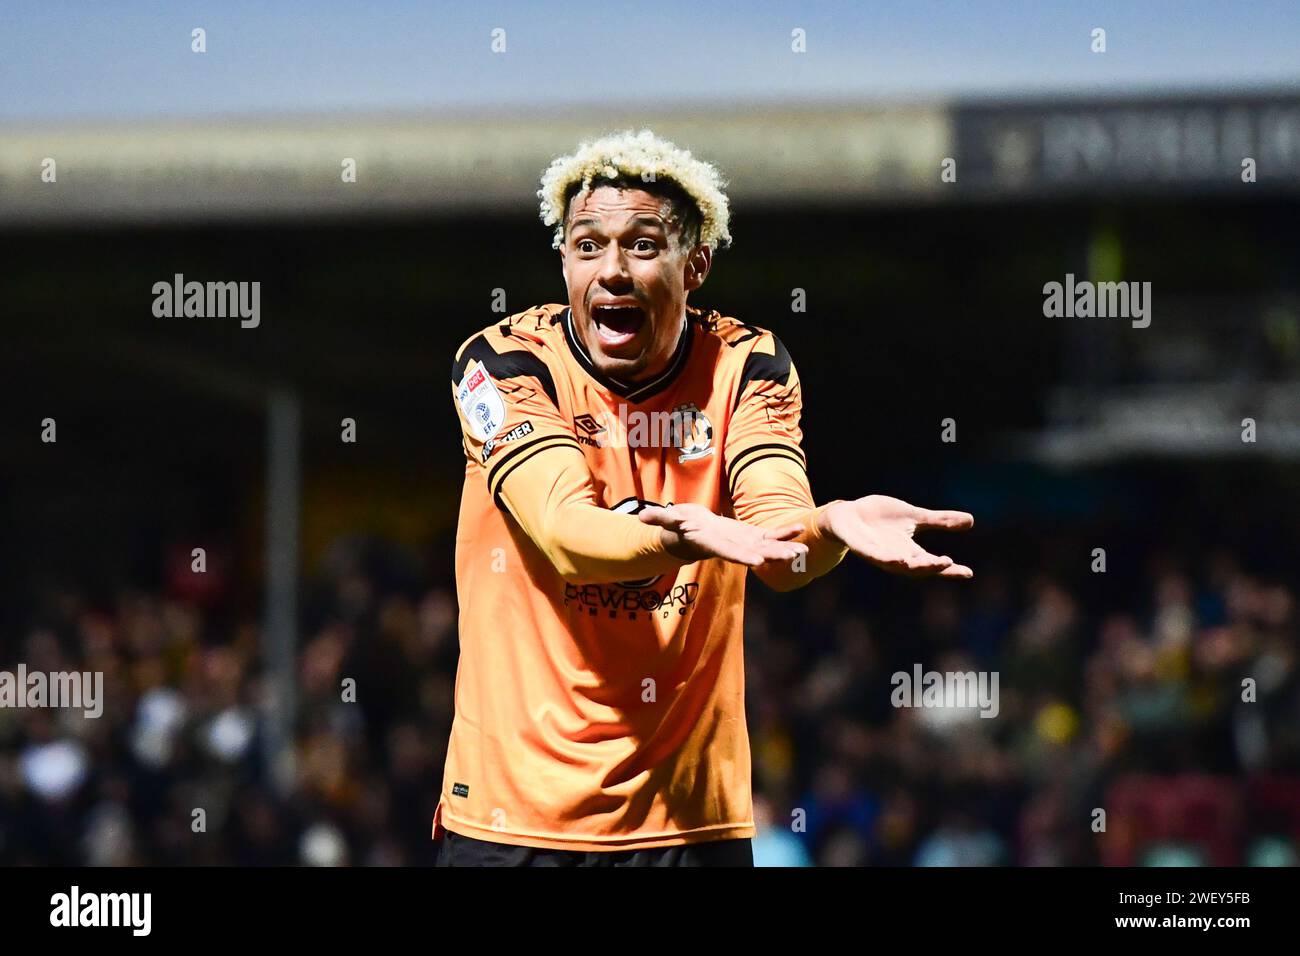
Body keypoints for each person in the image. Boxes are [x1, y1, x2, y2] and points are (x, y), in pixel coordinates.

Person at [434, 129, 973, 867]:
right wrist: (683, 534)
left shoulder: (749, 365)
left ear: (697, 265)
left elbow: (779, 547)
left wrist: (830, 525)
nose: (613, 271)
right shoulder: (502, 363)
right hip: (513, 821)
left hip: (690, 826)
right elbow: (563, 533)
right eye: (587, 246)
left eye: (643, 245)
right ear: (563, 260)